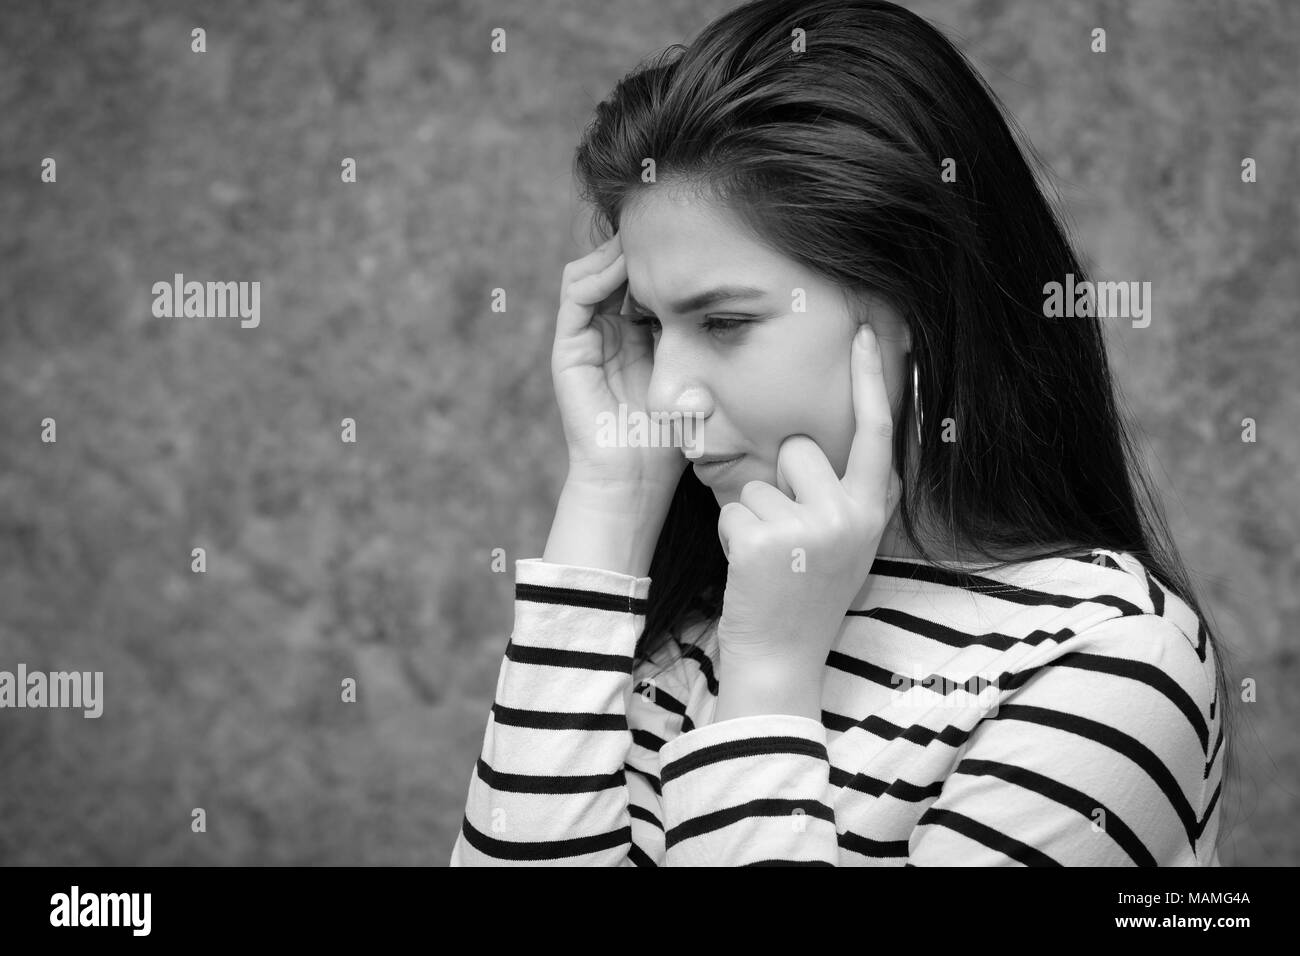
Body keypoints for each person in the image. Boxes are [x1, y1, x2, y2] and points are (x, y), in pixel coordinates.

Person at [449, 0, 1235, 866]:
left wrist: (769, 680)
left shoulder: (1109, 662)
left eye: (722, 323)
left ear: (915, 306)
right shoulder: (695, 616)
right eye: (648, 325)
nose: (669, 393)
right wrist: (611, 500)